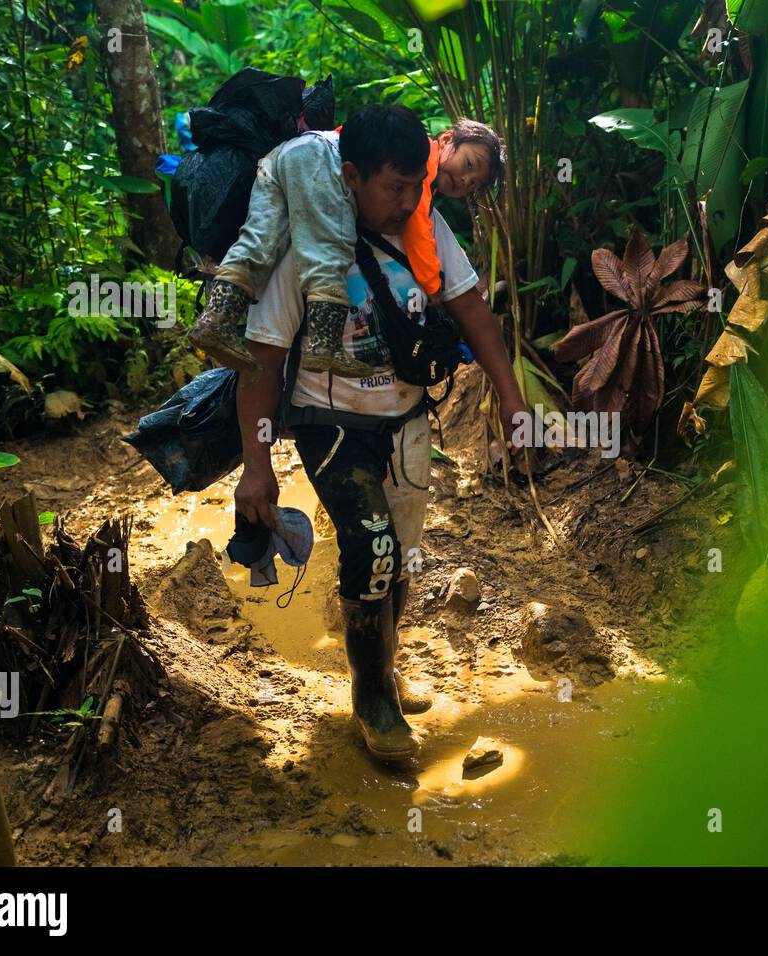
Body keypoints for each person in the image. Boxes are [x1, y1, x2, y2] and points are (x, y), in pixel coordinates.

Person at [232, 105, 528, 761]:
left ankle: (384, 666)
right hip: (331, 423)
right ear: (353, 175)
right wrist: (257, 465)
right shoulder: (303, 243)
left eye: (413, 185)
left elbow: (472, 309)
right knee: (373, 548)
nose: (405, 201)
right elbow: (261, 358)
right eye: (392, 188)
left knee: (401, 555)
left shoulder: (426, 224)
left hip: (408, 420)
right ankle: (372, 698)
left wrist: (511, 396)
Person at [190, 111, 503, 378]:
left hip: (284, 156)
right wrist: (433, 286)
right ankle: (323, 345)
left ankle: (215, 321)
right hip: (321, 160)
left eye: (473, 183)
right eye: (470, 165)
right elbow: (418, 229)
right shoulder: (418, 160)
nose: (465, 180)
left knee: (259, 242)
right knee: (330, 247)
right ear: (447, 140)